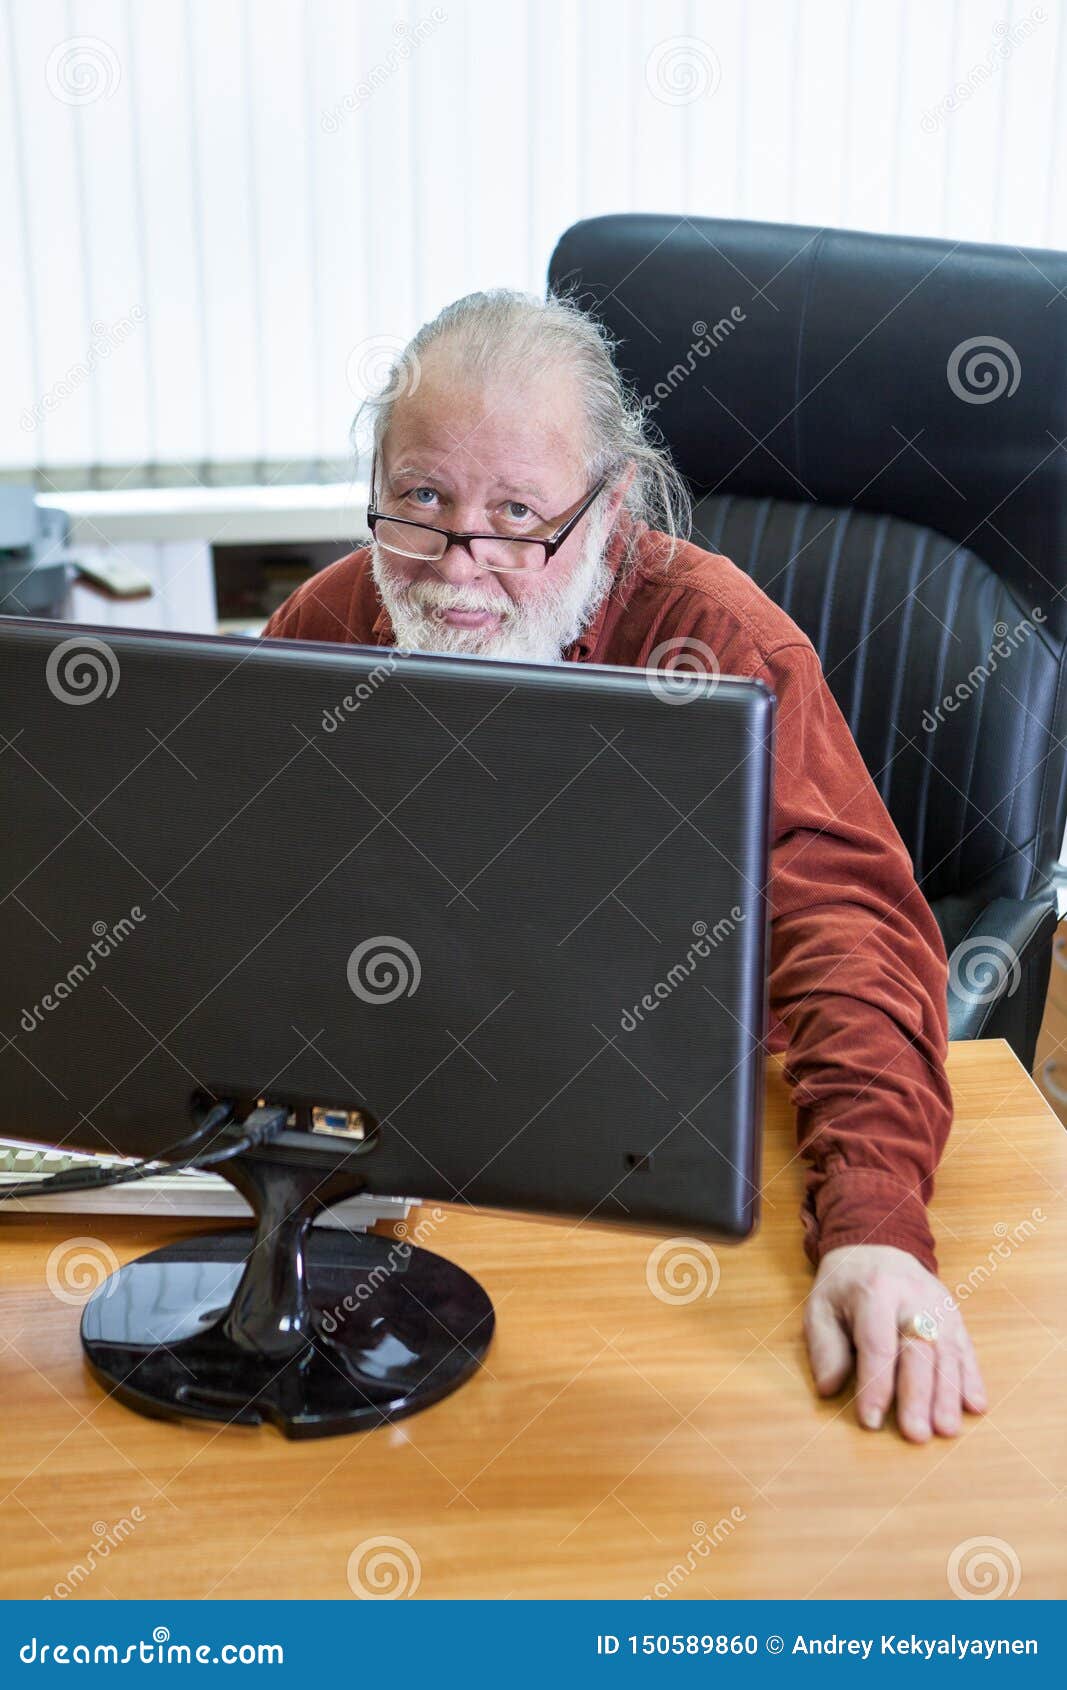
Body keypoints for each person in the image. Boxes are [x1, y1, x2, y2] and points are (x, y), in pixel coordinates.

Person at [263, 289, 986, 1442]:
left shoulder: (714, 643)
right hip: (411, 1154)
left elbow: (846, 937)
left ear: (611, 507)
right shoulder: (332, 621)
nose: (457, 567)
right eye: (420, 501)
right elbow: (226, 890)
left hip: (656, 1161)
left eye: (515, 515)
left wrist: (873, 1225)